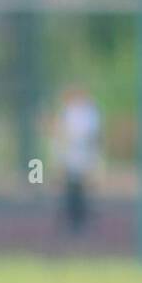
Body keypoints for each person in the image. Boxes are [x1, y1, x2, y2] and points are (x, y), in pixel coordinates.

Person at [50, 86, 101, 233]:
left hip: (83, 156)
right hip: (69, 157)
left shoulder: (90, 113)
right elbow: (60, 134)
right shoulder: (68, 112)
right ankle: (71, 220)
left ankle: (80, 220)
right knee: (70, 190)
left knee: (80, 190)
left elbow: (89, 135)